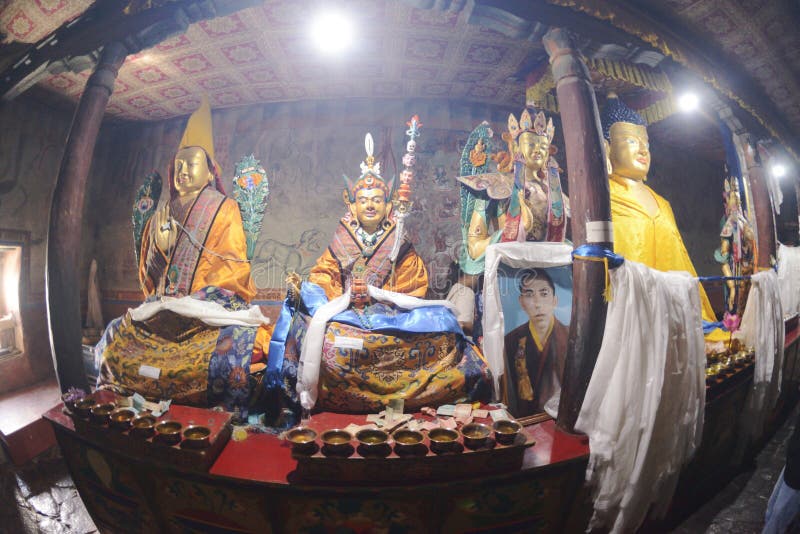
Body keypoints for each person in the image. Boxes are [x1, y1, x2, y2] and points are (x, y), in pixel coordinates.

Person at [269, 131, 492, 414]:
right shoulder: (342, 239)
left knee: (443, 333)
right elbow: (323, 275)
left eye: (377, 199)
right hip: (347, 314)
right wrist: (345, 298)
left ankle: (406, 393)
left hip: (390, 315)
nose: (370, 204)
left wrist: (383, 297)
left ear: (388, 205)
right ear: (351, 204)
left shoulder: (399, 241)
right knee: (324, 340)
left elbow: (414, 284)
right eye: (363, 199)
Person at [95, 99, 264, 416]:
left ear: (210, 172)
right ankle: (122, 398)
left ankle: (218, 416)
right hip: (162, 311)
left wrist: (193, 301)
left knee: (232, 356)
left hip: (203, 313)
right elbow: (149, 281)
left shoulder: (225, 209)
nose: (183, 170)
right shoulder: (161, 213)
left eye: (192, 164)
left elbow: (232, 268)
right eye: (179, 164)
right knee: (113, 338)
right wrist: (160, 250)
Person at [601, 94, 718, 325]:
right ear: (607, 148)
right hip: (630, 320)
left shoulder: (662, 204)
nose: (643, 150)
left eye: (646, 143)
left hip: (675, 314)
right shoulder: (603, 198)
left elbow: (681, 263)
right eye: (631, 141)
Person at [503, 268, 568, 416]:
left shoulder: (571, 337)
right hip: (527, 420)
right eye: (529, 295)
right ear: (521, 302)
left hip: (562, 417)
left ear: (555, 300)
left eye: (544, 294)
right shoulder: (511, 341)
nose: (537, 303)